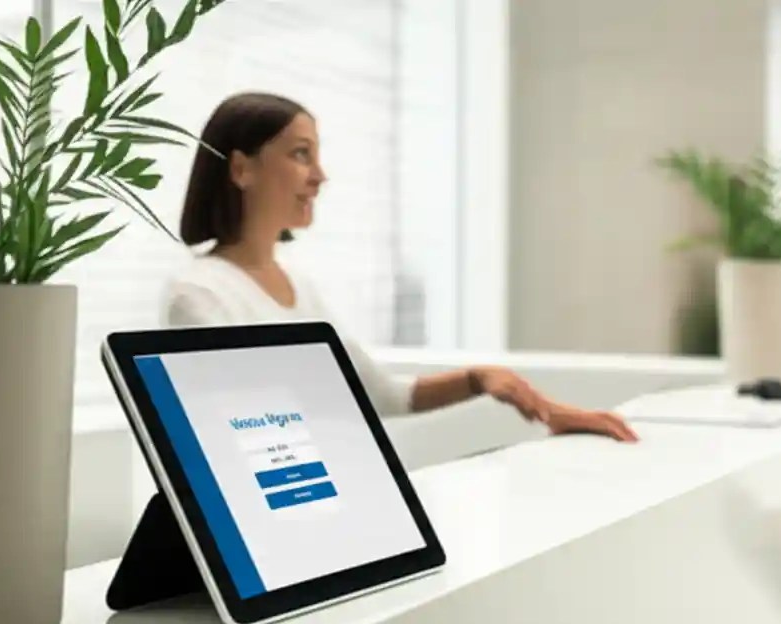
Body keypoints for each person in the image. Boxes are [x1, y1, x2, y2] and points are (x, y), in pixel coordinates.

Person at [164, 92, 637, 443]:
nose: (320, 175)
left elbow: (380, 396)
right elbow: (229, 437)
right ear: (241, 169)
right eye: (300, 153)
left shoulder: (297, 286)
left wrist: (488, 381)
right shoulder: (200, 294)